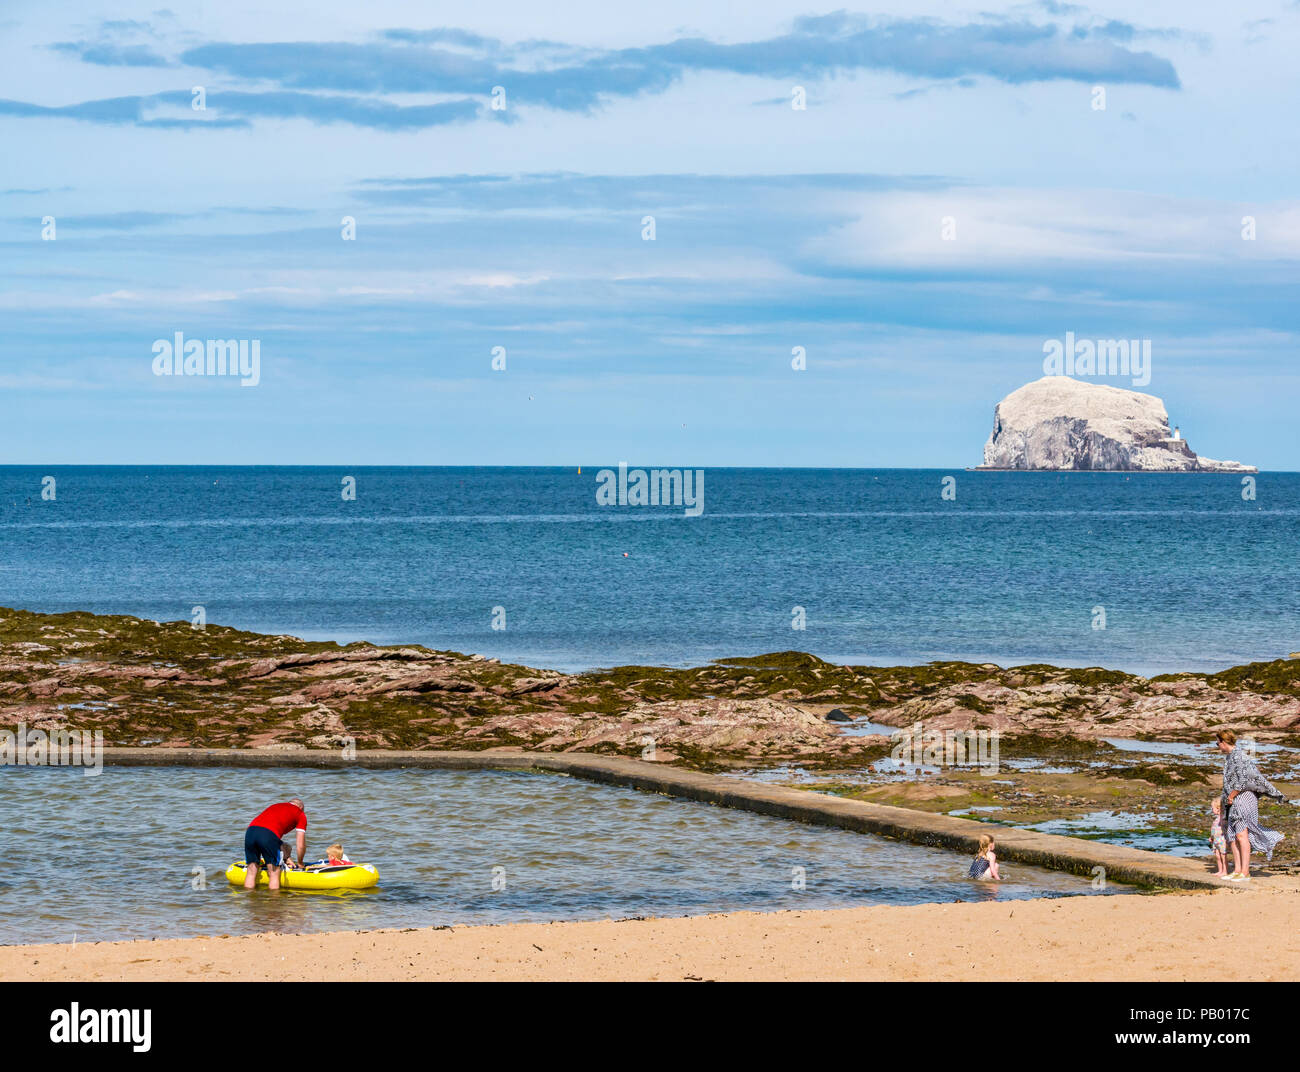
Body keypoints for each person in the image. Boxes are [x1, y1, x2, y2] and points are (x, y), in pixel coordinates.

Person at [1216, 730, 1285, 881]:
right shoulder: (1230, 756)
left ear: (1223, 742)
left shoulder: (1239, 756)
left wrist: (1232, 796)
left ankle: (1245, 872)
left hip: (1243, 798)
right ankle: (1237, 870)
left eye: (1217, 743)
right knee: (1232, 835)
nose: (1217, 746)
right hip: (1233, 799)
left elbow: (1243, 780)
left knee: (1242, 835)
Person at [242, 797, 308, 890]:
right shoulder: (300, 813)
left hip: (251, 831)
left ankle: (249, 896)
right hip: (268, 834)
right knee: (273, 873)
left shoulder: (276, 806)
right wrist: (300, 863)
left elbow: (275, 840)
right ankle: (274, 898)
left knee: (251, 871)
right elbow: (300, 845)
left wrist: (287, 857)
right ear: (301, 808)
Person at [1209, 797, 1229, 878]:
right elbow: (1213, 829)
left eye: (1212, 808)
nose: (1211, 809)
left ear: (1218, 809)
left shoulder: (1223, 819)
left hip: (1222, 840)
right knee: (1217, 856)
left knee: (1223, 856)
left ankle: (1225, 871)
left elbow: (1226, 828)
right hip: (1215, 840)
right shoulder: (1216, 819)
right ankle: (1220, 870)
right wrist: (1211, 837)